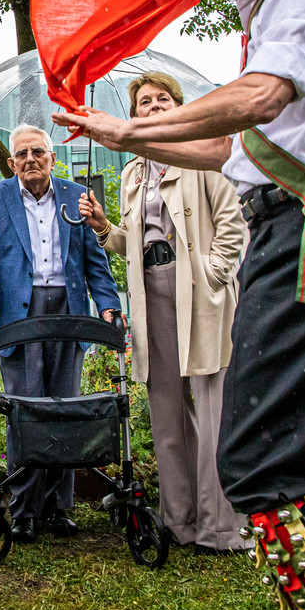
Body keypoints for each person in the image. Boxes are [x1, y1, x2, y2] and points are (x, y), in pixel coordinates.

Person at [55, 0, 305, 610]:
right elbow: (230, 146)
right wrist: (123, 134)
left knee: (256, 451)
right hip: (299, 223)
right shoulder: (282, 4)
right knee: (265, 451)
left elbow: (263, 96)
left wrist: (137, 130)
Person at [76, 72, 249, 554]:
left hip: (201, 291)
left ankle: (220, 528)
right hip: (150, 293)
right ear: (134, 118)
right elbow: (133, 240)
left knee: (212, 408)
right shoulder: (133, 173)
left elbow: (234, 226)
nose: (152, 106)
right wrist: (104, 226)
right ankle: (180, 521)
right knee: (166, 410)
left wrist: (213, 277)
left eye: (162, 100)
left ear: (178, 107)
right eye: (144, 102)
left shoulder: (204, 156)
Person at [0, 123, 122, 544]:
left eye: (38, 152)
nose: (30, 159)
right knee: (24, 409)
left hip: (69, 309)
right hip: (19, 313)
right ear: (11, 162)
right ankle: (24, 510)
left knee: (65, 408)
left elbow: (95, 261)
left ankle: (57, 507)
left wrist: (108, 304)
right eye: (22, 154)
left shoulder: (77, 197)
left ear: (53, 158)